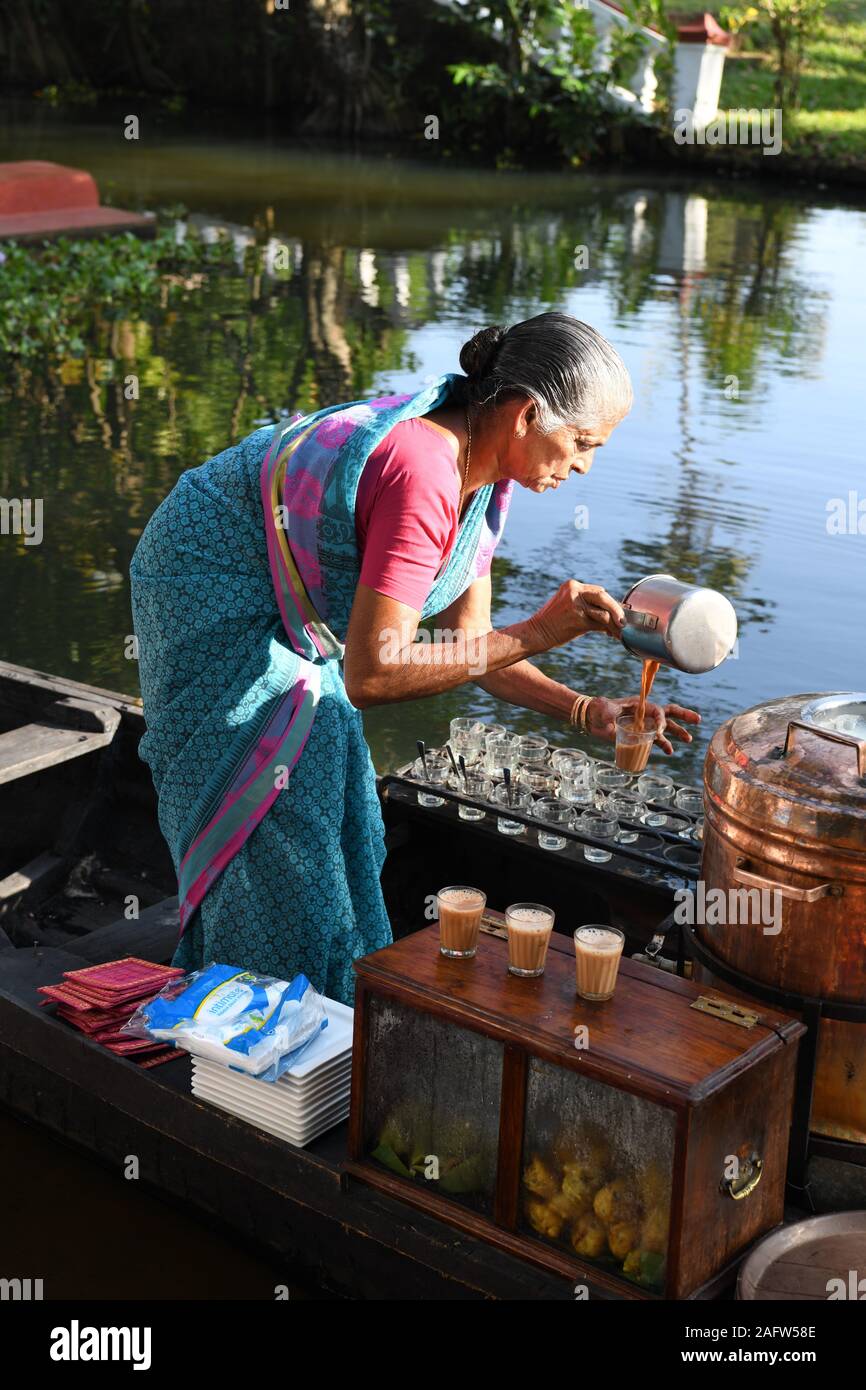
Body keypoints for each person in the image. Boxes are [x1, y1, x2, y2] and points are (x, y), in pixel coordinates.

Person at [130, 310, 700, 1004]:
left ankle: (324, 1015)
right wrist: (543, 630)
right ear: (524, 416)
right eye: (581, 442)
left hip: (293, 615)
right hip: (207, 584)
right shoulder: (421, 471)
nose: (583, 464)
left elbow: (472, 647)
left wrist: (586, 710)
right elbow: (371, 674)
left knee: (338, 795)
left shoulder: (487, 479)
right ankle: (253, 1034)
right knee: (269, 825)